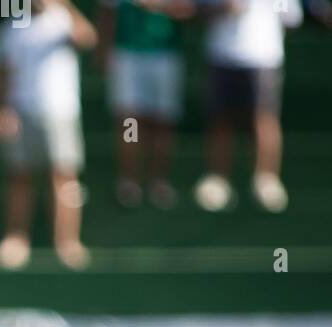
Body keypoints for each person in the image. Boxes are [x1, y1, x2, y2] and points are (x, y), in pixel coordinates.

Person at [0, 0, 96, 271]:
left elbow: (88, 38)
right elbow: (3, 71)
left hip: (61, 111)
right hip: (21, 110)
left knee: (64, 176)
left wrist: (63, 6)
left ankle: (67, 242)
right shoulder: (14, 25)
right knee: (19, 175)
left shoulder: (64, 19)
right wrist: (3, 108)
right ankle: (16, 239)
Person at [194, 0, 303, 214]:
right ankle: (219, 178)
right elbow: (200, 10)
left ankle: (266, 178)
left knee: (264, 117)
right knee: (221, 118)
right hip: (221, 55)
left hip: (264, 58)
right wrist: (223, 8)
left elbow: (291, 17)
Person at [98, 0, 193, 209]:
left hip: (166, 55)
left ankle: (158, 182)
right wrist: (104, 49)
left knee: (162, 122)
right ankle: (129, 182)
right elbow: (107, 13)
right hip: (127, 55)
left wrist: (160, 5)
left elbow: (188, 10)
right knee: (130, 121)